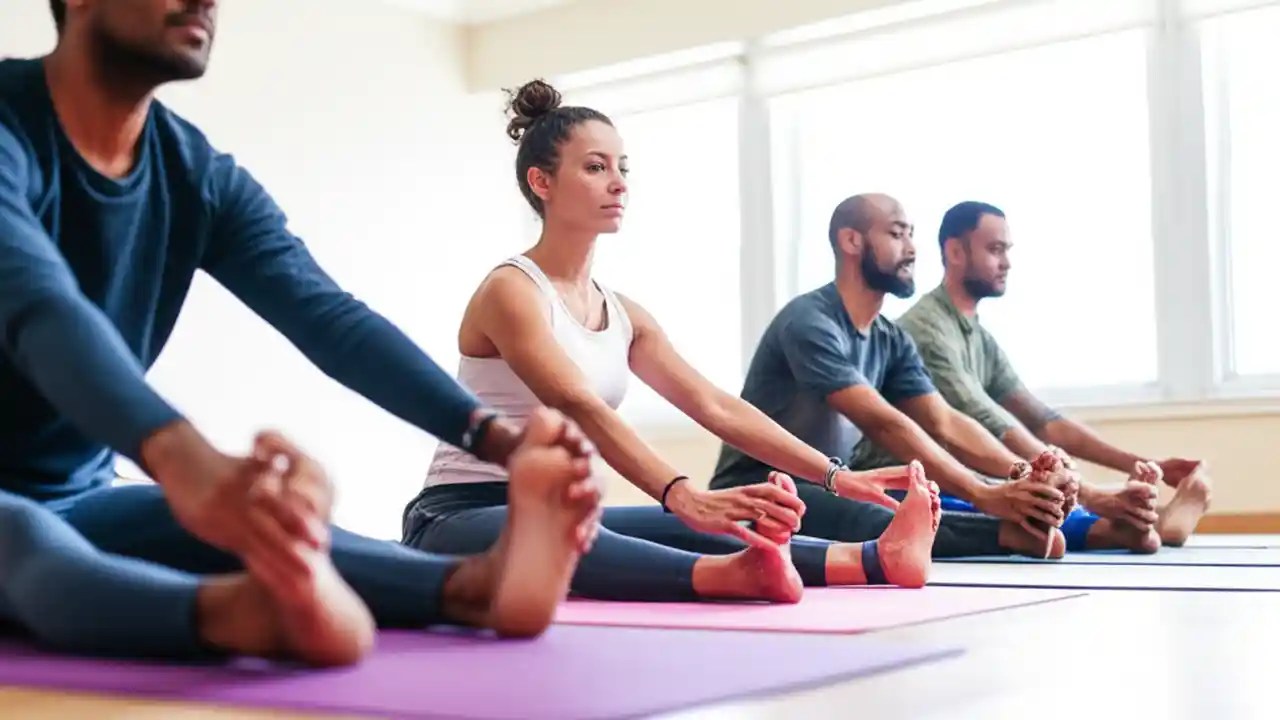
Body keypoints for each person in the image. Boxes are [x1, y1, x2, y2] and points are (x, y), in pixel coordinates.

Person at [0, 0, 602, 666]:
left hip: (78, 496)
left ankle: (471, 586)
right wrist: (184, 458)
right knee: (18, 534)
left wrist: (496, 438)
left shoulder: (194, 173)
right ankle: (243, 617)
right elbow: (40, 309)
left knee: (238, 519)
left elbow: (329, 318)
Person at [402, 79, 950, 599]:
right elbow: (577, 403)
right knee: (590, 529)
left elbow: (714, 406)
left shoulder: (623, 315)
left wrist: (836, 476)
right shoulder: (511, 290)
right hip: (455, 515)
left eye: (622, 167)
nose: (619, 182)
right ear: (541, 183)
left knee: (716, 522)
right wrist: (680, 493)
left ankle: (879, 558)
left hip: (555, 505)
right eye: (595, 168)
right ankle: (730, 578)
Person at [710, 193, 1079, 558]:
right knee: (881, 514)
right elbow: (884, 423)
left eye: (911, 234)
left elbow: (944, 421)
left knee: (930, 496)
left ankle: (1048, 529)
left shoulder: (891, 338)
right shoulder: (809, 322)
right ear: (852, 240)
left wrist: (1019, 472)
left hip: (834, 484)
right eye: (897, 233)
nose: (913, 249)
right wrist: (984, 495)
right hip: (758, 488)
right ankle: (1006, 536)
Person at [882, 200, 1210, 548]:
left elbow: (1045, 421)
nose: (1006, 262)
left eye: (1007, 250)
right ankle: (1135, 523)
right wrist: (1086, 491)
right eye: (995, 250)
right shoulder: (926, 331)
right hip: (922, 482)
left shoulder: (978, 336)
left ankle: (1136, 520)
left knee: (1034, 495)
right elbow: (989, 422)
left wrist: (1147, 463)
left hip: (976, 478)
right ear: (955, 251)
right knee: (1015, 500)